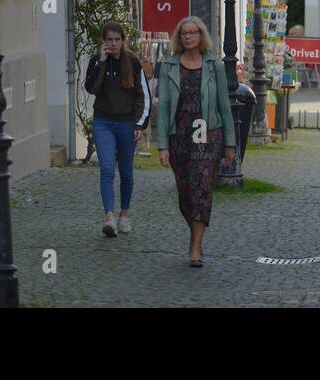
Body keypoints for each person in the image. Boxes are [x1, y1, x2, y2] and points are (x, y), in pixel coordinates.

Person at [155, 16, 237, 267]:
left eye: (193, 33)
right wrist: (162, 145)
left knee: (202, 187)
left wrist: (230, 143)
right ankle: (195, 232)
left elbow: (224, 103)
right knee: (186, 192)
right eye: (184, 33)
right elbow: (165, 106)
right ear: (179, 38)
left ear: (201, 36)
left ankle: (196, 246)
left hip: (208, 134)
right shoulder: (169, 65)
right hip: (179, 135)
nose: (188, 37)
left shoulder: (214, 65)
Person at [84, 22, 150, 238]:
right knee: (107, 168)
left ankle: (124, 215)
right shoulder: (96, 62)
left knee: (126, 172)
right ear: (103, 41)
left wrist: (140, 124)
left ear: (123, 41)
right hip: (103, 121)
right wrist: (101, 63)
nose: (112, 44)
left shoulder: (132, 61)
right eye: (108, 40)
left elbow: (143, 95)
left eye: (116, 40)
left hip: (127, 123)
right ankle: (109, 217)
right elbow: (92, 88)